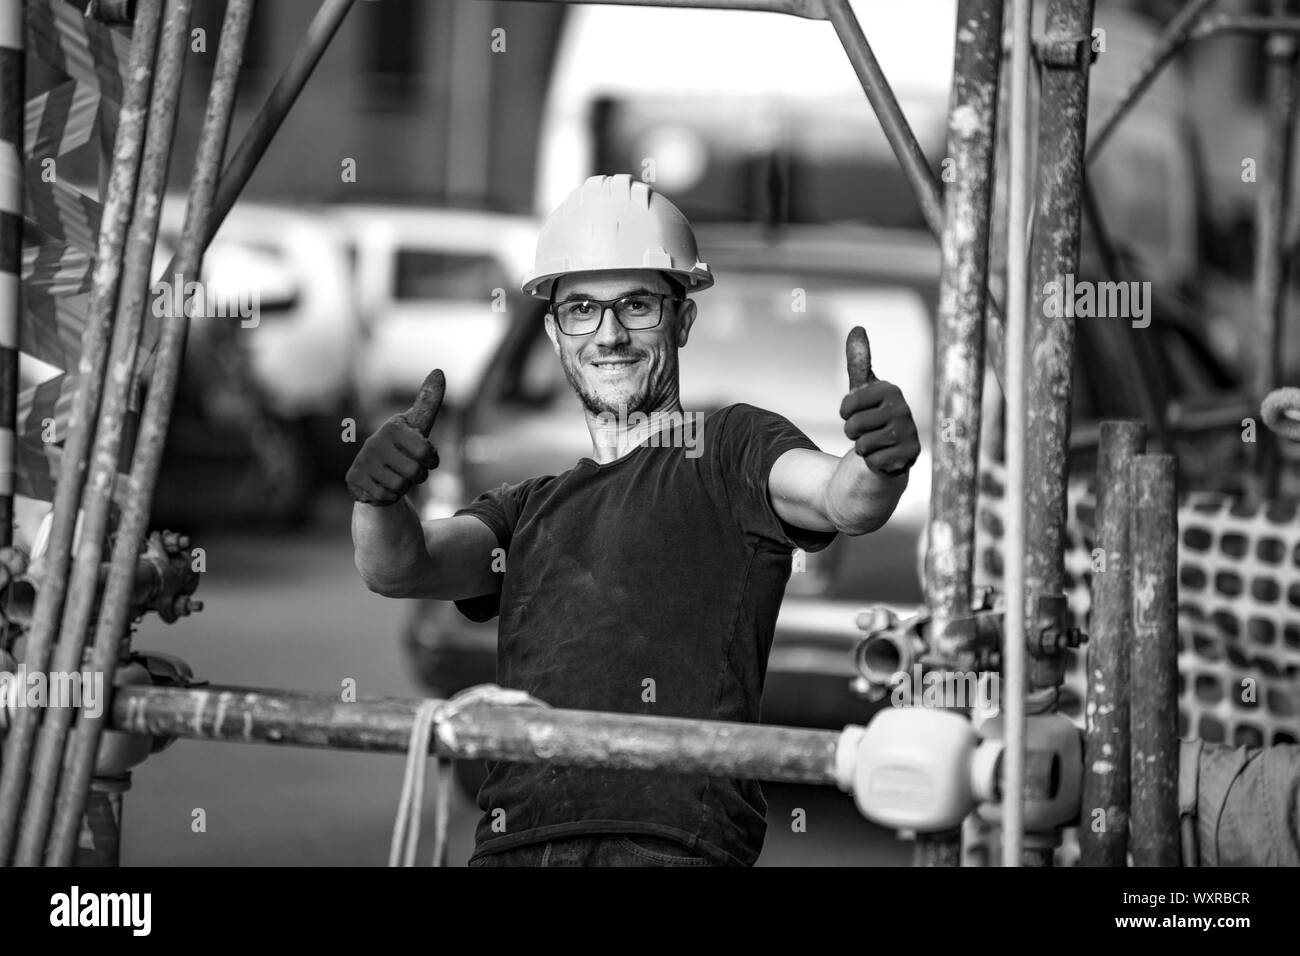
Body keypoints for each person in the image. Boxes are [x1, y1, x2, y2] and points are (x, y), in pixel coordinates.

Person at [347, 173, 921, 866]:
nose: (609, 334)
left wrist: (880, 460)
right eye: (582, 309)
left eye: (638, 305)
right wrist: (378, 501)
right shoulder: (527, 506)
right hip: (516, 845)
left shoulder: (730, 448)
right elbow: (400, 568)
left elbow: (841, 499)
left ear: (682, 318)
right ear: (557, 332)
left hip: (670, 846)